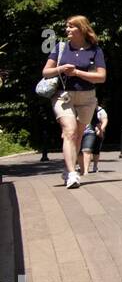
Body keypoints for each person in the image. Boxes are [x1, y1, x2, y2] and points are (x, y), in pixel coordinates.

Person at [41, 16, 106, 190]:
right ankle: (72, 173)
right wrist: (61, 69)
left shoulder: (95, 50)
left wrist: (77, 72)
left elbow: (101, 77)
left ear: (82, 29)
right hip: (63, 96)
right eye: (67, 27)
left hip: (87, 97)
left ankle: (67, 167)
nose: (67, 30)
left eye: (71, 27)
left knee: (78, 134)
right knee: (69, 131)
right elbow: (46, 72)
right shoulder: (60, 48)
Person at [79, 105, 108, 174]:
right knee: (79, 152)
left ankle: (88, 169)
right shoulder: (76, 108)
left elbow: (103, 120)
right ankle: (82, 168)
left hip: (91, 132)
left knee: (88, 150)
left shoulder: (99, 111)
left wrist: (101, 130)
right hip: (79, 133)